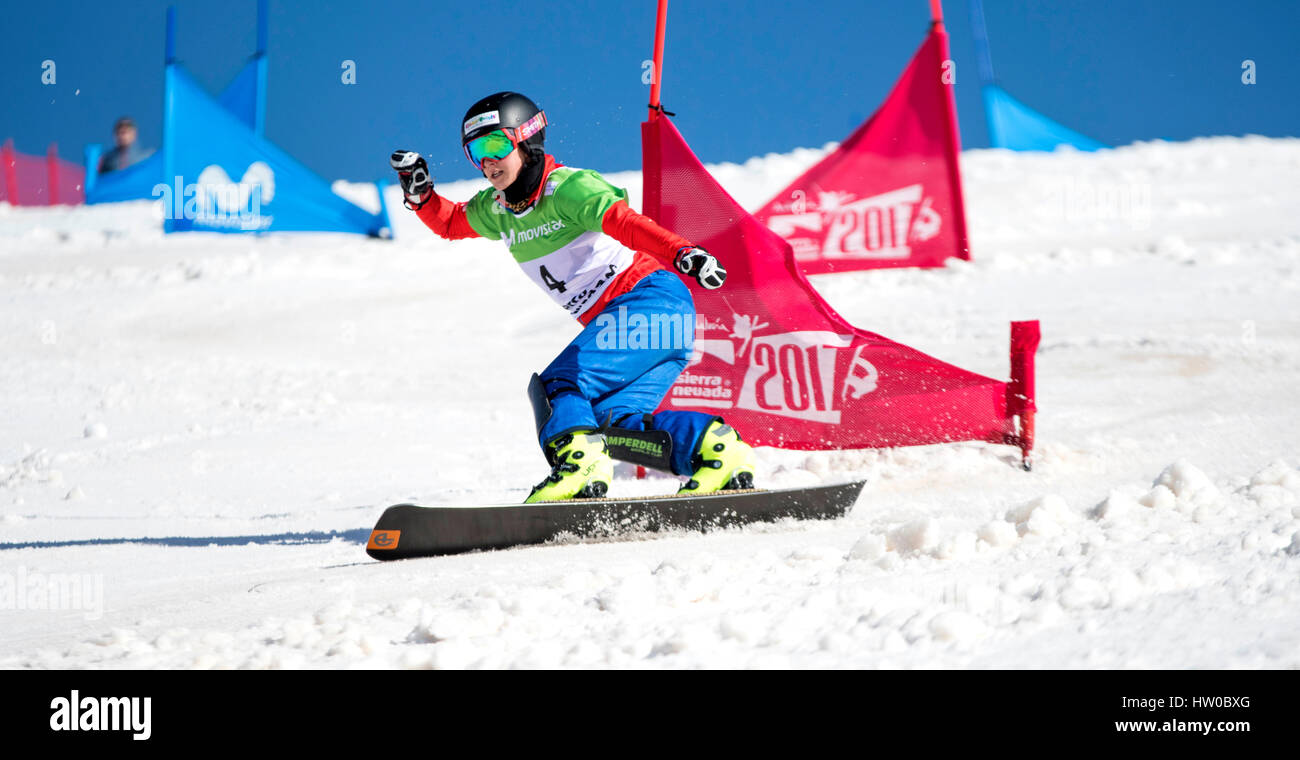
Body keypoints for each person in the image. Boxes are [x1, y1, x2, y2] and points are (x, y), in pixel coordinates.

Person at [390, 91, 757, 503]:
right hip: (651, 327)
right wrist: (421, 197)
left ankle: (578, 468)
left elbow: (624, 222)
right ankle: (715, 453)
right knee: (610, 423)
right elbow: (452, 223)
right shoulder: (498, 208)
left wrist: (681, 252)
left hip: (649, 302)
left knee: (556, 388)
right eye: (476, 152)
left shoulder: (566, 188)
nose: (487, 162)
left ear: (527, 141)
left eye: (495, 145)